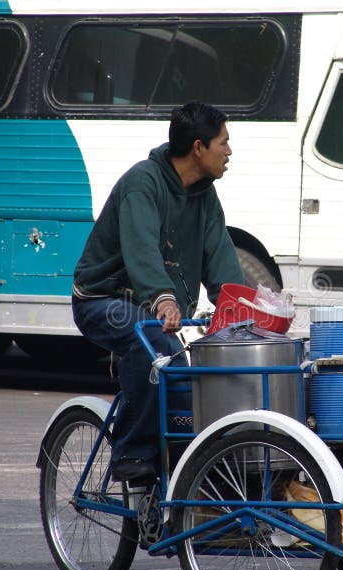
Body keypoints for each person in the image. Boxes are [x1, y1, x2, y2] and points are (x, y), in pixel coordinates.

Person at [72, 101, 244, 482]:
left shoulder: (204, 195)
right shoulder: (143, 182)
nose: (229, 152)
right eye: (224, 143)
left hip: (153, 309)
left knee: (185, 387)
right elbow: (141, 250)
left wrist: (249, 307)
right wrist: (163, 298)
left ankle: (177, 495)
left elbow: (222, 261)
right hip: (104, 299)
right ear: (198, 147)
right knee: (153, 344)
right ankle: (130, 453)